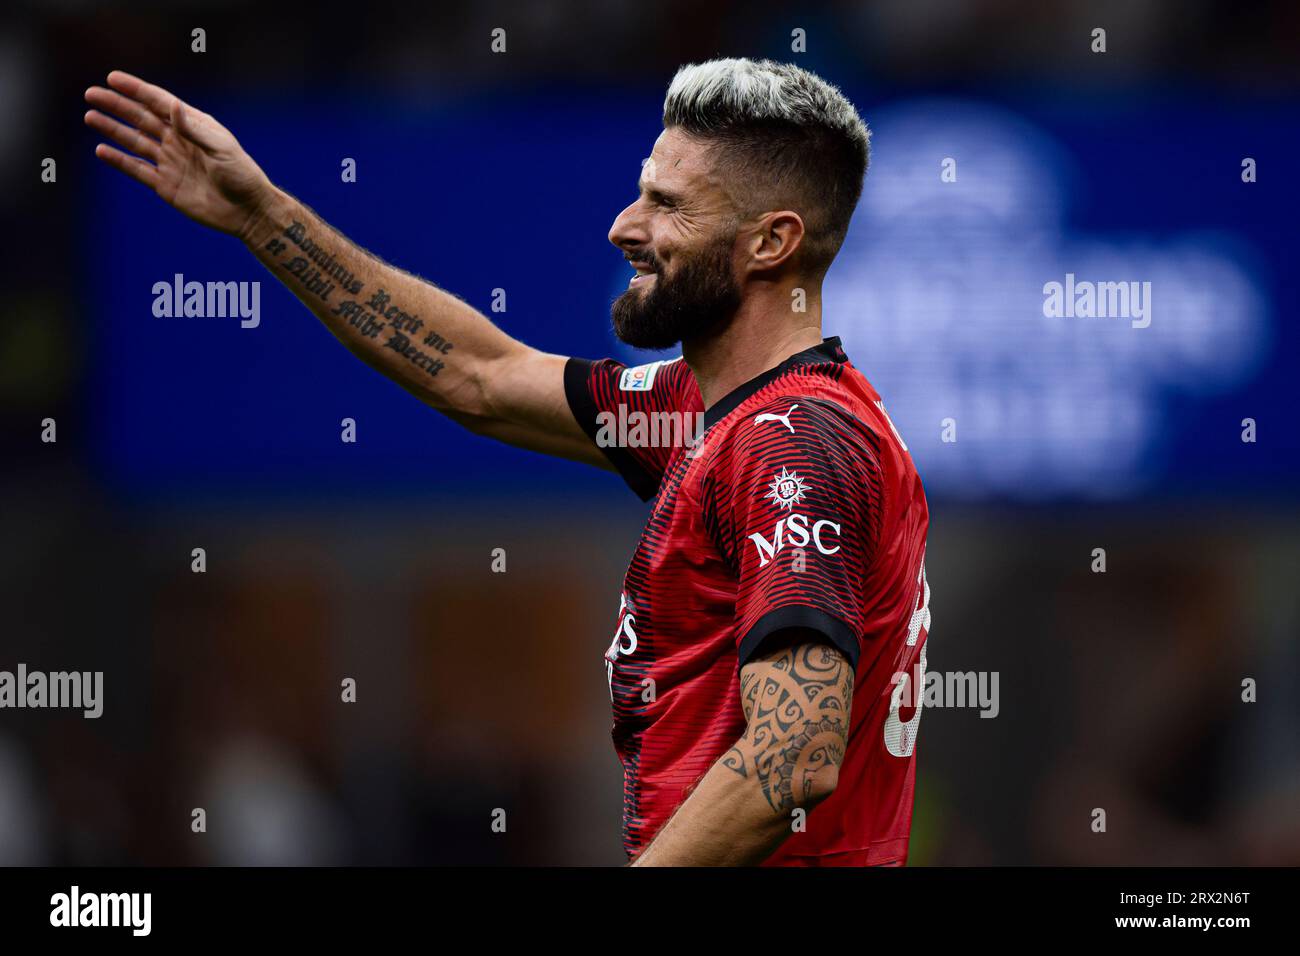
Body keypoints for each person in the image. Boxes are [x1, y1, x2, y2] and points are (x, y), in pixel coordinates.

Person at [84, 57, 931, 866]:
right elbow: (478, 376)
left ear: (771, 243)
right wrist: (262, 215)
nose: (624, 226)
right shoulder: (713, 415)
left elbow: (794, 756)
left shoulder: (795, 442)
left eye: (667, 206)